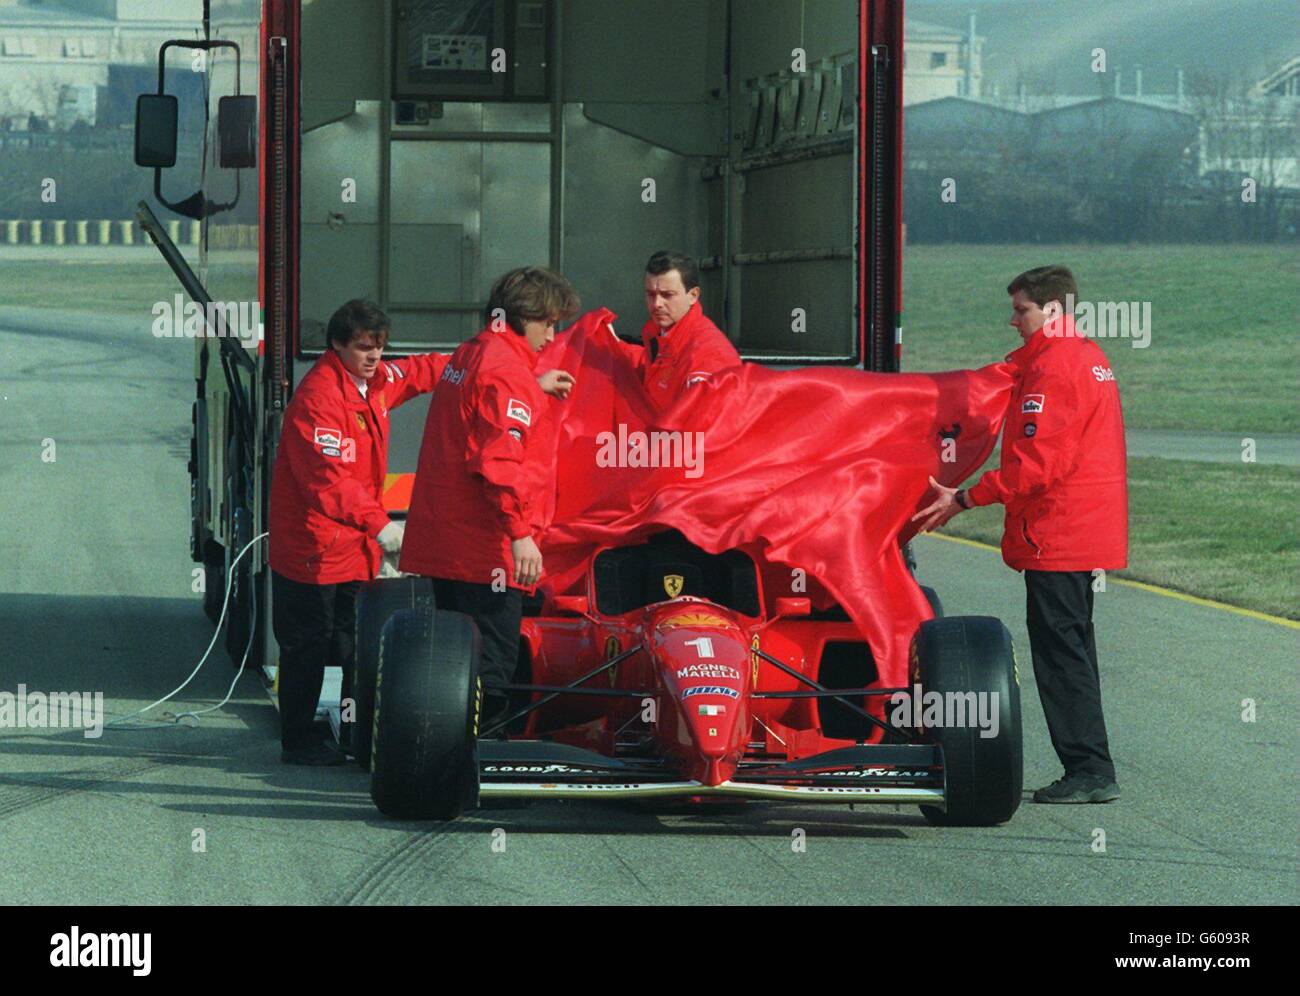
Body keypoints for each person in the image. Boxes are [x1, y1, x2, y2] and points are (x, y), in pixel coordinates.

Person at [912, 265, 1127, 804]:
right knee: (1073, 650)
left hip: (1058, 533)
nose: (1012, 321)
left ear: (1051, 310)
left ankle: (1090, 771)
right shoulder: (1082, 355)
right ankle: (1091, 765)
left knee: (1060, 656)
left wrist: (964, 498)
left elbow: (1036, 467)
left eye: (1021, 310)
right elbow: (1012, 370)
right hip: (1080, 529)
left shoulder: (1056, 372)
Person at [268, 299, 448, 765]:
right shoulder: (318, 400)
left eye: (380, 348)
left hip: (354, 548)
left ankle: (352, 731)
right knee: (307, 645)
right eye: (364, 348)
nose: (374, 357)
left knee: (354, 644)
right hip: (311, 549)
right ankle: (298, 740)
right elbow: (328, 482)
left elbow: (426, 370)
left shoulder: (378, 382)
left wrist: (483, 361)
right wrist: (382, 525)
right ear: (337, 346)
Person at [400, 267, 579, 728]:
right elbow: (497, 463)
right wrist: (520, 535)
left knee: (453, 664)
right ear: (524, 317)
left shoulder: (473, 353)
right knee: (493, 668)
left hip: (451, 548)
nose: (551, 335)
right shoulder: (507, 373)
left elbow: (481, 411)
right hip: (488, 553)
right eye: (548, 323)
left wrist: (531, 389)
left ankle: (448, 766)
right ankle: (486, 770)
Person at [638, 250, 740, 409]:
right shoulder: (658, 334)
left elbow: (704, 426)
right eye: (651, 294)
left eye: (667, 295)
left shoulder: (709, 356)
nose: (657, 303)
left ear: (693, 295)